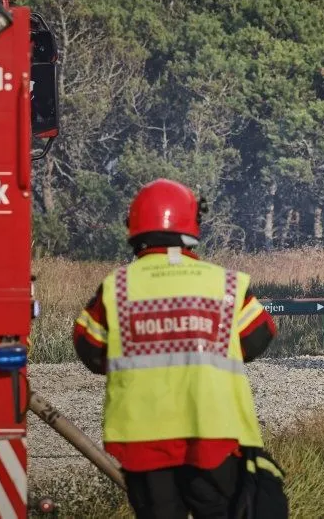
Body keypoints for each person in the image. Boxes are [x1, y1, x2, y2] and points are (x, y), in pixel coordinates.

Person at [73, 178, 288, 519]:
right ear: (192, 226)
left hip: (142, 441)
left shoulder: (117, 288)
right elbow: (260, 335)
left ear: (134, 228)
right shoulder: (224, 284)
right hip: (214, 437)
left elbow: (89, 348)